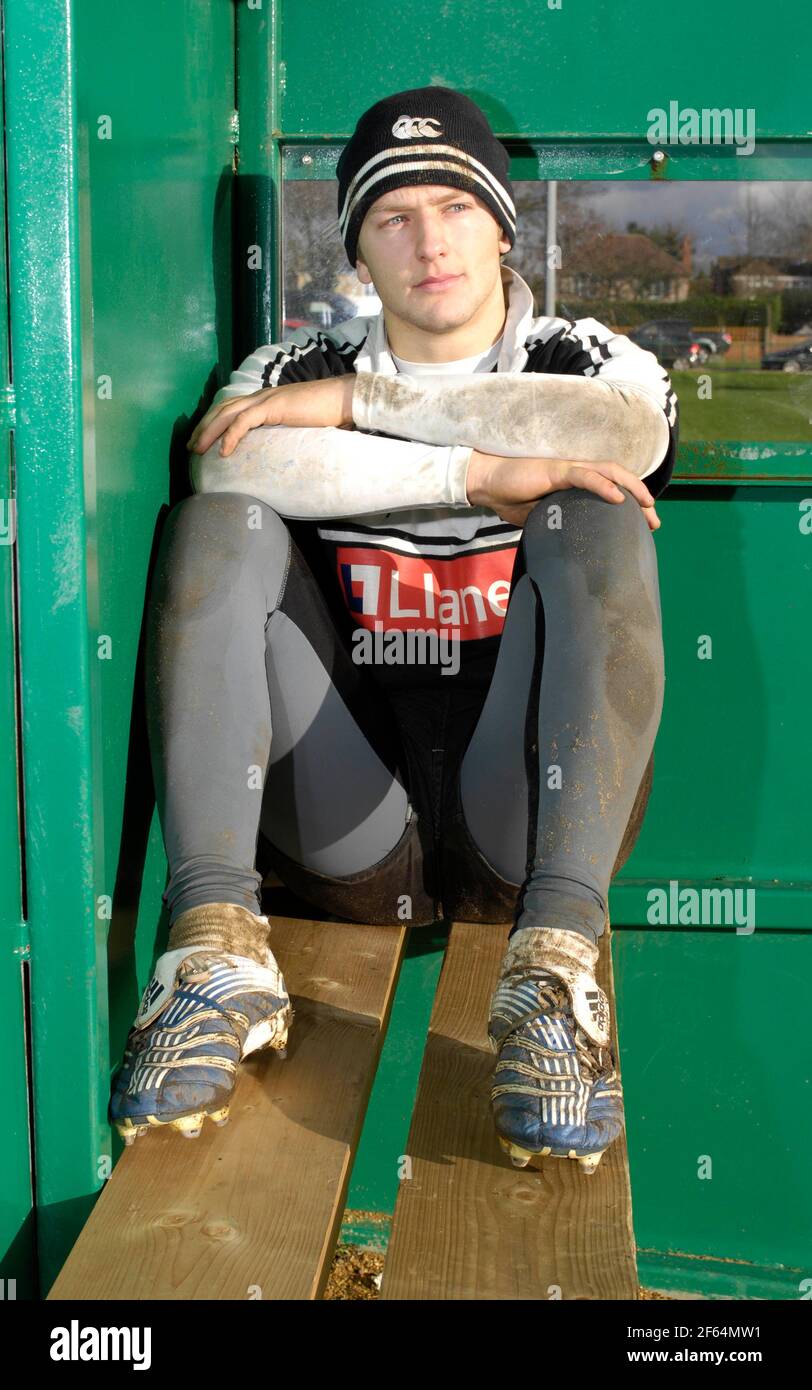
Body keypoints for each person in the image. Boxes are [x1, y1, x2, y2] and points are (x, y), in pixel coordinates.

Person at [111, 87, 677, 1174]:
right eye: (392, 218)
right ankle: (210, 951)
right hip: (343, 810)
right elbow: (226, 461)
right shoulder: (289, 374)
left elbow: (621, 436)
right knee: (218, 524)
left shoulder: (582, 354)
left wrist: (366, 410)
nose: (429, 243)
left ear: (502, 223)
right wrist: (471, 472)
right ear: (358, 256)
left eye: (454, 208)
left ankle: (556, 968)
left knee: (593, 509)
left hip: (521, 813)